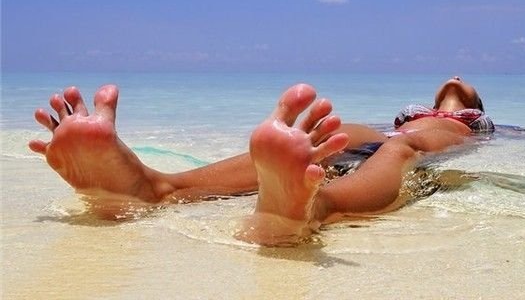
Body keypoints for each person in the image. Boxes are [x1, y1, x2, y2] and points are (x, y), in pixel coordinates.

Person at [29, 76, 494, 245]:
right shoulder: (409, 113)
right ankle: (155, 186)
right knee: (329, 140)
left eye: (464, 83)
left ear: (479, 108)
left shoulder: (476, 124)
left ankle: (316, 205)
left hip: (412, 141)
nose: (454, 77)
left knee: (402, 149)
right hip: (385, 131)